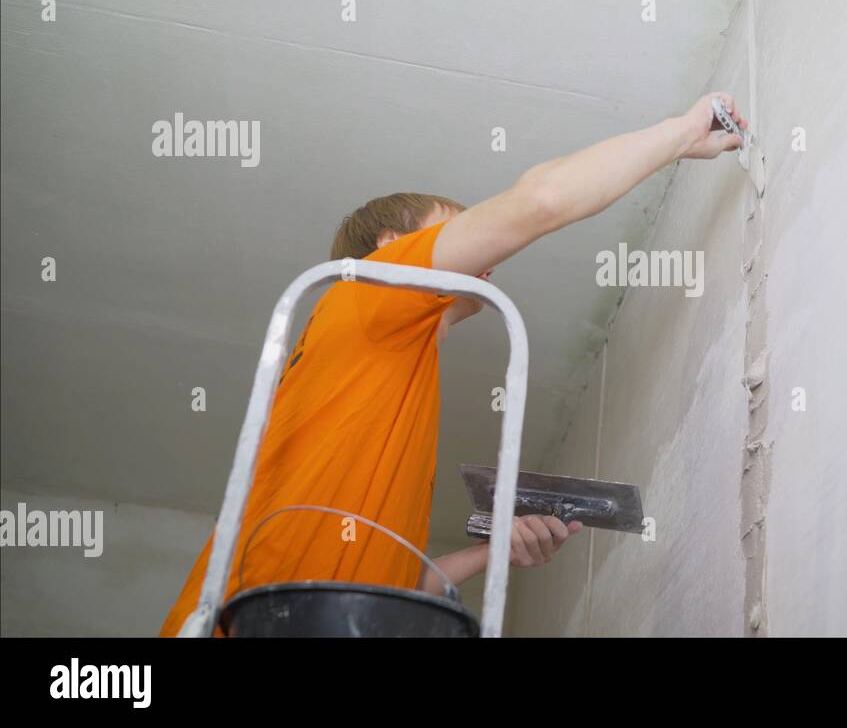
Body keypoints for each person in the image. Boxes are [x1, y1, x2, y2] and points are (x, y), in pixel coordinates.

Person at [159, 92, 746, 636]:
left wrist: (496, 550)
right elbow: (539, 201)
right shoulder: (368, 292)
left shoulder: (382, 382)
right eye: (453, 230)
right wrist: (681, 134)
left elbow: (381, 589)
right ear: (393, 247)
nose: (487, 262)